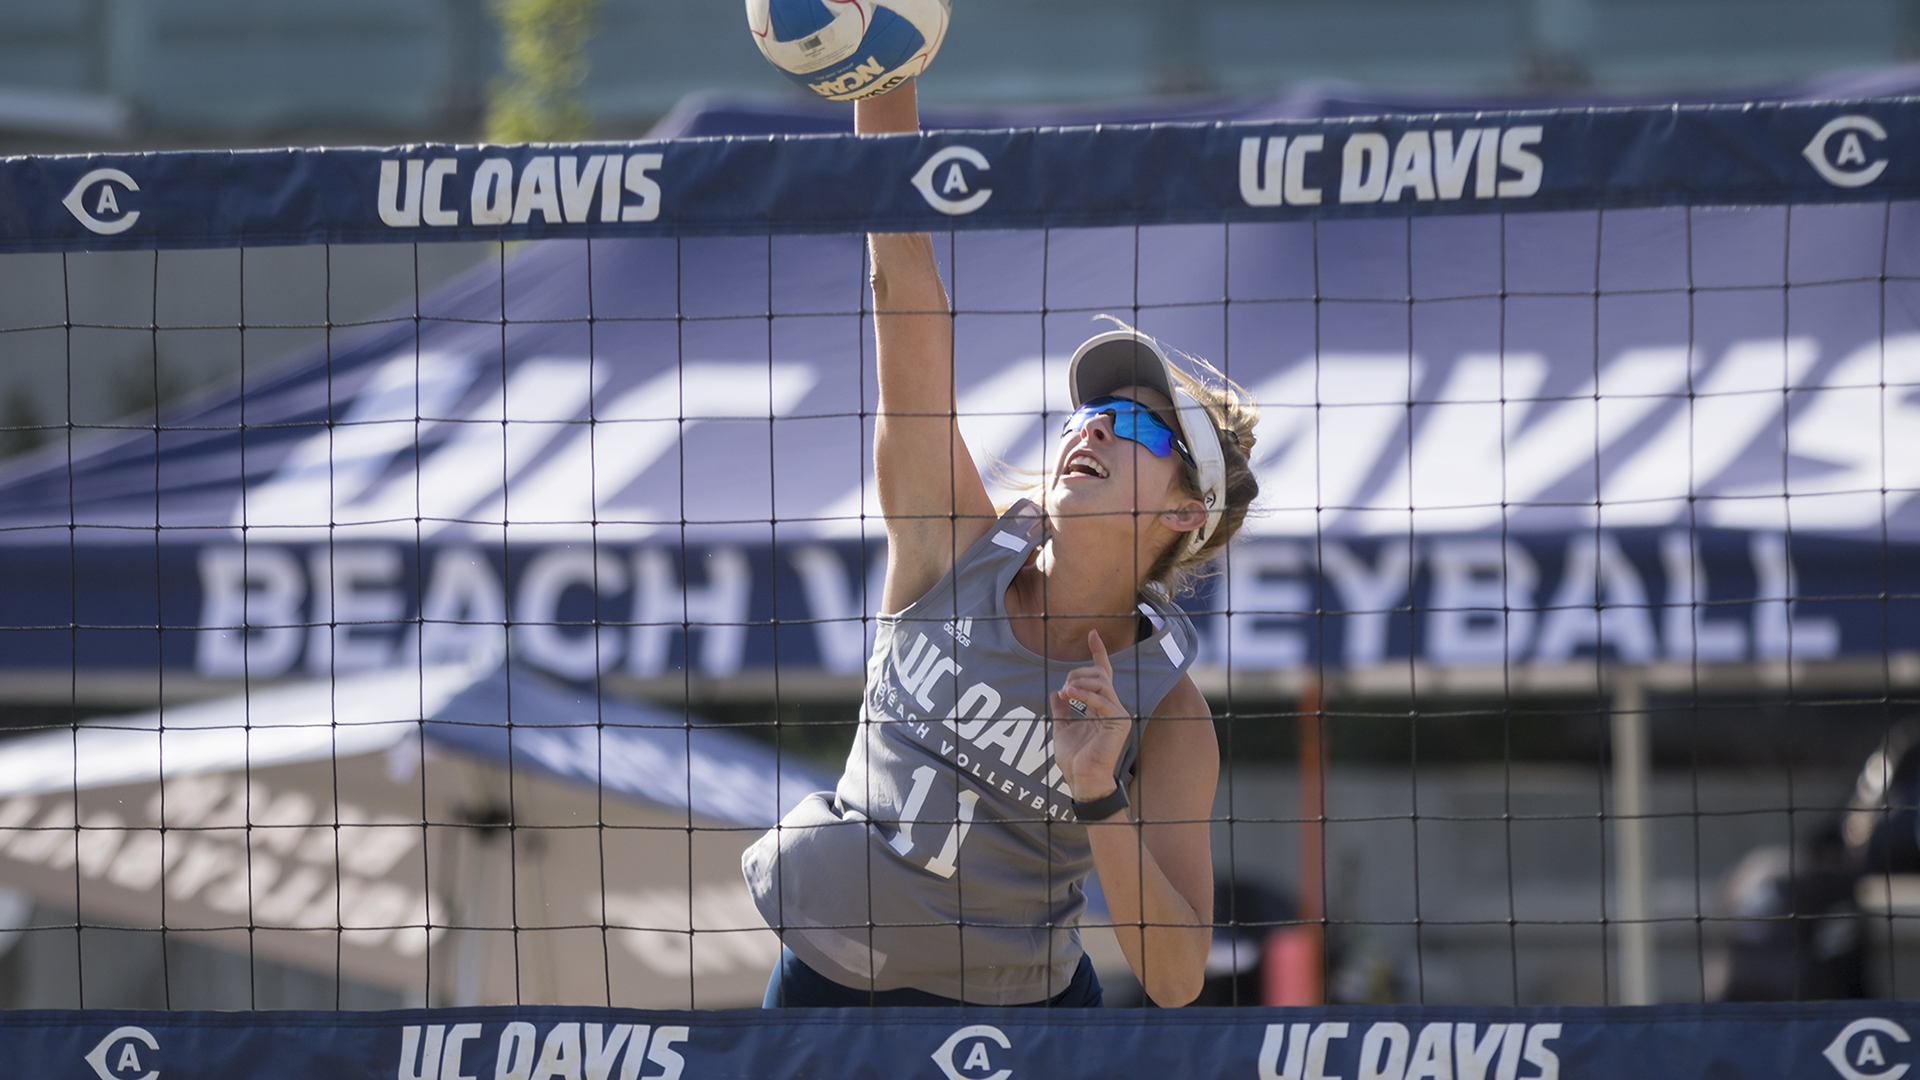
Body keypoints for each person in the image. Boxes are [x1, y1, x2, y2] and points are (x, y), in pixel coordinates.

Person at [742, 78, 1261, 1008]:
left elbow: (1179, 979)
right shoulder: (952, 543)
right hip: (829, 987)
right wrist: (883, 75)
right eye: (1091, 413)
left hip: (1014, 1024)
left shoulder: (1168, 713)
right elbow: (902, 286)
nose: (1092, 430)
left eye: (1138, 430)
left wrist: (1098, 788)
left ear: (1187, 514)